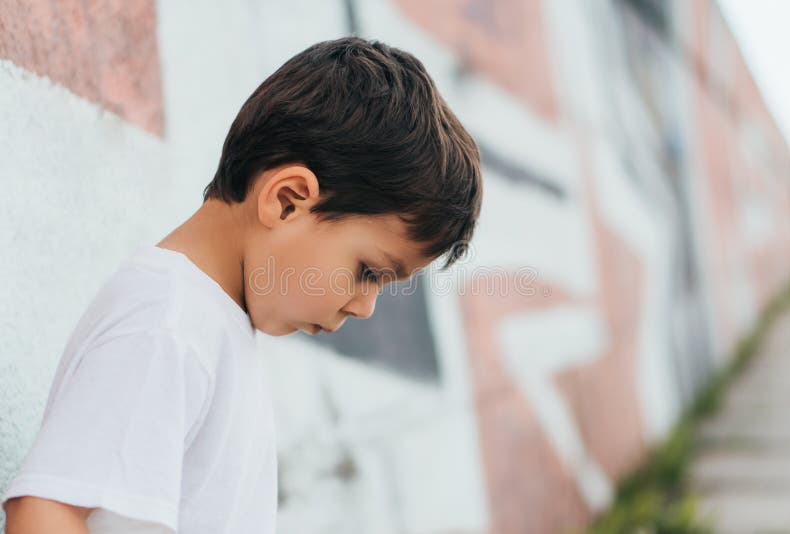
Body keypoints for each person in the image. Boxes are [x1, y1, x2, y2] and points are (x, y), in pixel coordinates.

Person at [2, 35, 482, 533]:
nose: (364, 308)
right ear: (288, 200)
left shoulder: (209, 327)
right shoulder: (169, 323)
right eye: (368, 271)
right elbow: (45, 511)